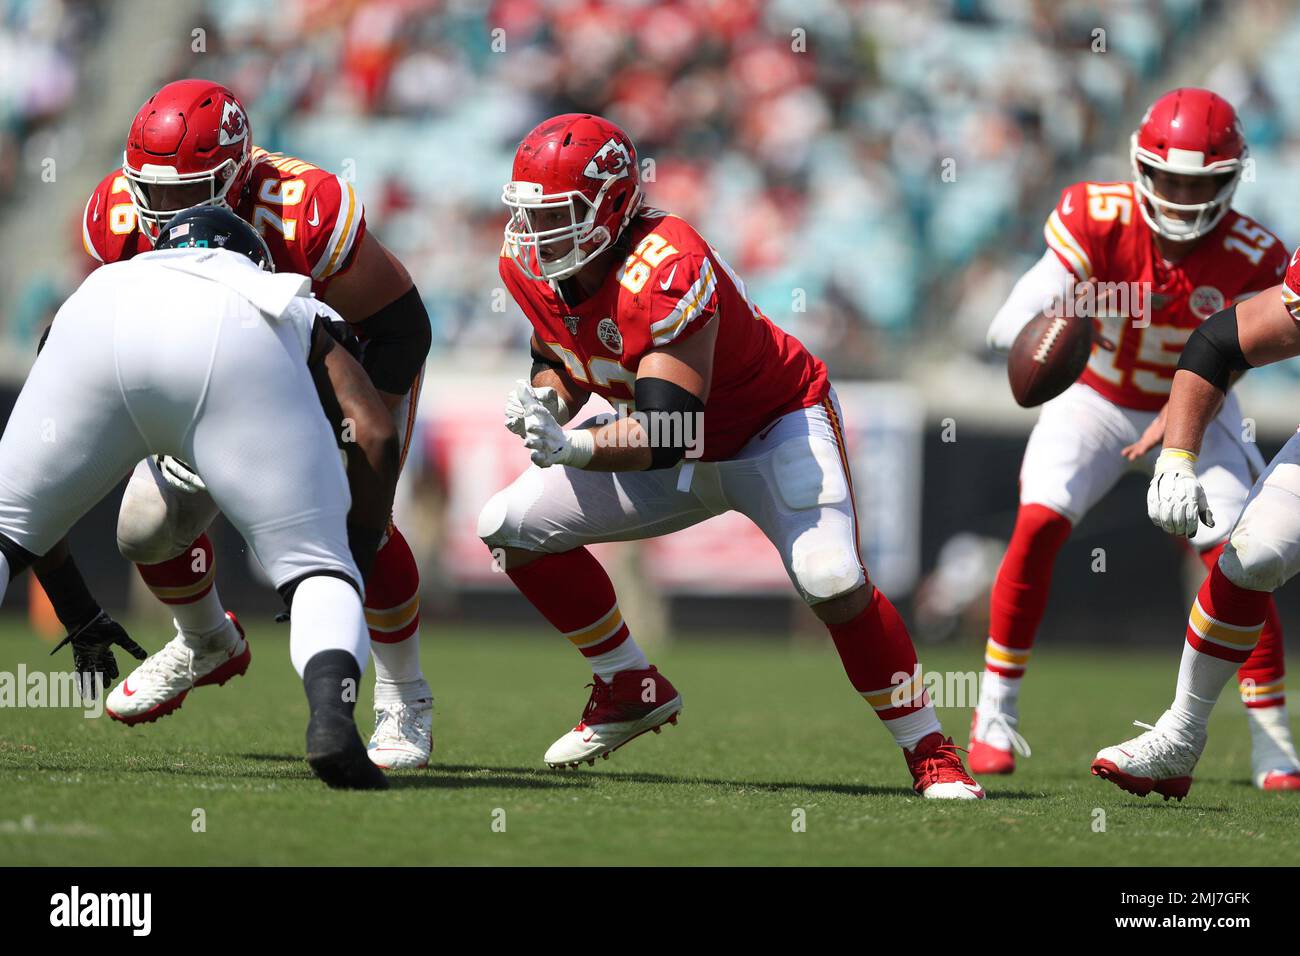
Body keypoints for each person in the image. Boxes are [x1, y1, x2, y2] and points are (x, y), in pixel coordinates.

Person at [479, 113, 983, 798]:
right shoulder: (531, 266)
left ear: (613, 205)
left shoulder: (667, 265)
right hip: (678, 447)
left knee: (831, 578)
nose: (537, 236)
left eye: (560, 215)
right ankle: (628, 682)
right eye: (531, 215)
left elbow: (669, 433)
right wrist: (551, 403)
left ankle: (930, 748)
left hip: (770, 428)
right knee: (506, 526)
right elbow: (560, 355)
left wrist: (573, 444)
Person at [60, 78, 432, 769]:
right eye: (151, 186)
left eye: (189, 187)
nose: (164, 206)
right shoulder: (116, 214)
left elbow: (402, 330)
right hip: (218, 371)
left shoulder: (304, 208)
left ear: (237, 172)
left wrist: (349, 429)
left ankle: (405, 695)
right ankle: (205, 639)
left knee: (359, 531)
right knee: (143, 525)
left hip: (334, 369)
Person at [973, 88, 1300, 790]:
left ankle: (1272, 737)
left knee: (1241, 557)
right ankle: (993, 713)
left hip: (1200, 415)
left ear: (1231, 179)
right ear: (1140, 168)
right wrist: (1058, 327)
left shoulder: (1254, 251)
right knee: (1037, 526)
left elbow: (1239, 350)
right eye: (1170, 178)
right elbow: (1012, 321)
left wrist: (1178, 419)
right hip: (1096, 399)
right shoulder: (1096, 216)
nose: (1182, 196)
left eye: (1200, 182)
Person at [3, 207, 397, 789]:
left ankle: (210, 638)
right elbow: (376, 432)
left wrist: (77, 611)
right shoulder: (273, 290)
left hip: (94, 328)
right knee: (317, 568)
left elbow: (35, 510)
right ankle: (331, 724)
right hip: (234, 337)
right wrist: (353, 559)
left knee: (6, 530)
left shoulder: (98, 285)